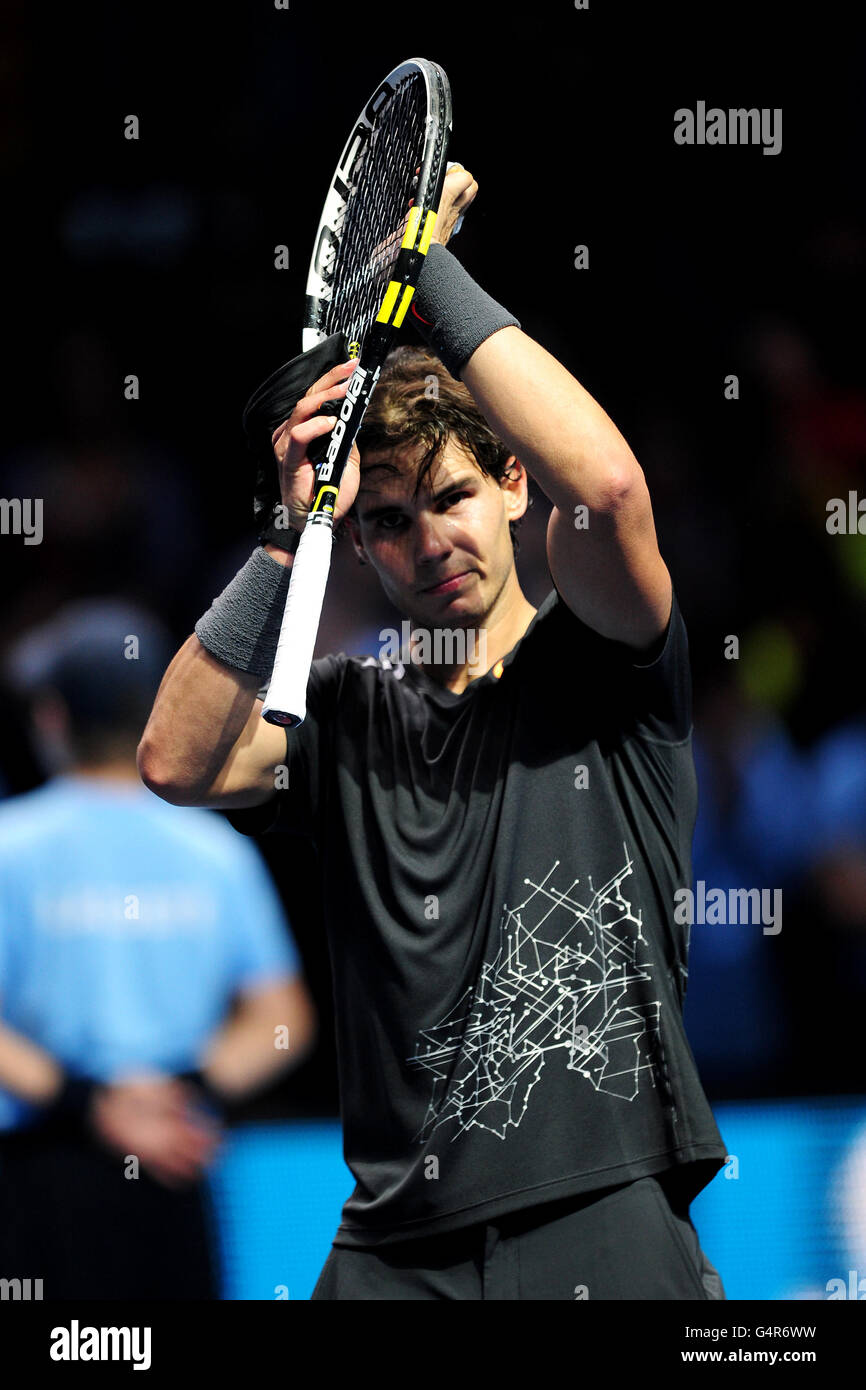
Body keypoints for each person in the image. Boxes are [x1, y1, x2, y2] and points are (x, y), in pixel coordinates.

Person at [139, 165, 727, 1300]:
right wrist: (288, 530)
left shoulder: (604, 665)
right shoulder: (343, 715)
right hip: (388, 1252)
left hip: (603, 1217)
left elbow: (605, 489)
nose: (427, 542)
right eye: (388, 522)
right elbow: (172, 761)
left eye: (452, 497)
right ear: (359, 547)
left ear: (513, 484)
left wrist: (423, 274)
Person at [0, 600, 316, 1299]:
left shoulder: (8, 845)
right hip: (178, 1156)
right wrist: (187, 1093)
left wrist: (92, 1104)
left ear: (51, 717)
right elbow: (282, 1019)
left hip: (44, 1168)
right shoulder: (215, 850)